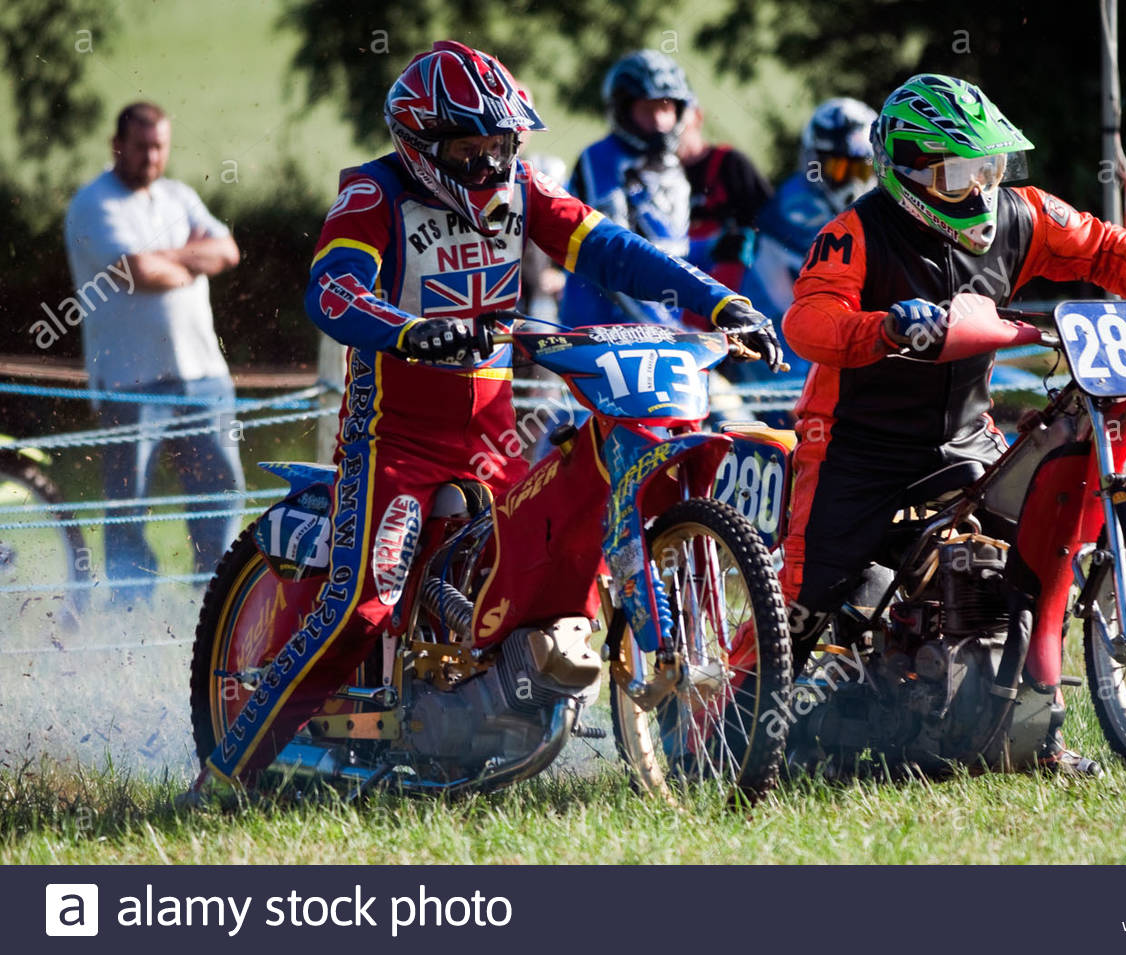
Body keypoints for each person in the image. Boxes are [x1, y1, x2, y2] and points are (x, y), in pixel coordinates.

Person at [186, 41, 779, 801]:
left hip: (492, 427)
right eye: (470, 150)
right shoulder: (373, 196)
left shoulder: (524, 188)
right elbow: (330, 294)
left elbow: (614, 251)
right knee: (364, 600)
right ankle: (228, 771)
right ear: (422, 146)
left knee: (537, 551)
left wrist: (720, 302)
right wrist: (406, 328)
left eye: (501, 146)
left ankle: (487, 710)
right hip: (393, 432)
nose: (490, 165)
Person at [778, 74, 1126, 775]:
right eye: (961, 172)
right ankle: (722, 728)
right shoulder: (853, 233)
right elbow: (807, 321)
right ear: (911, 173)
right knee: (800, 602)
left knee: (1035, 557)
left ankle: (1029, 736)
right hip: (854, 444)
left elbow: (1105, 249)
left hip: (965, 434)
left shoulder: (1020, 215)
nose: (982, 188)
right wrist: (886, 326)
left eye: (989, 167)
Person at [64, 101, 244, 606]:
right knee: (129, 499)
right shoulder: (93, 204)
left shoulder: (178, 196)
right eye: (142, 146)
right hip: (128, 377)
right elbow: (139, 274)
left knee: (219, 487)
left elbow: (227, 250)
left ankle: (219, 596)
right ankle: (131, 603)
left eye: (160, 146)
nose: (151, 156)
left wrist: (169, 260)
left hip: (203, 371)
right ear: (116, 144)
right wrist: (190, 259)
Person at [740, 98, 877, 402]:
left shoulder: (859, 209)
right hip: (784, 359)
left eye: (862, 171)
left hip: (820, 346)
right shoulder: (797, 208)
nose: (853, 186)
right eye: (841, 169)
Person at [560, 49, 697, 329]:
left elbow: (671, 251)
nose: (659, 121)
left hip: (662, 327)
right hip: (599, 329)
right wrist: (670, 330)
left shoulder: (673, 167)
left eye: (666, 108)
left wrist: (714, 248)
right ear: (624, 110)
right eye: (648, 109)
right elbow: (614, 259)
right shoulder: (600, 159)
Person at [678, 104, 773, 295]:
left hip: (735, 294)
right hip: (678, 293)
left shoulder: (730, 164)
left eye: (680, 114)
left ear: (697, 116)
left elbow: (772, 227)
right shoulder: (654, 176)